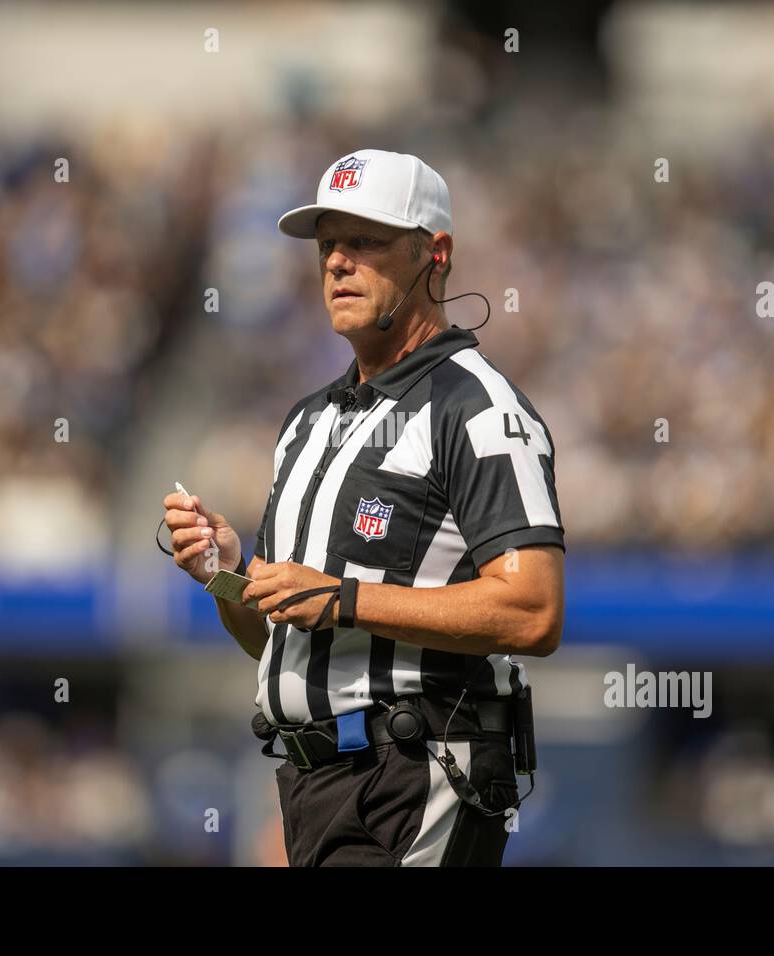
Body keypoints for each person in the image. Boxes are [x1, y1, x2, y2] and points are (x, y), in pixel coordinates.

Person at [162, 149, 565, 866]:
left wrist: (346, 599)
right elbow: (285, 644)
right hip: (313, 781)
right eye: (327, 246)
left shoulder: (475, 407)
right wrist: (228, 576)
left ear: (433, 254)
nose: (338, 264)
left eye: (367, 242)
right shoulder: (307, 422)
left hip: (418, 768)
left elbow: (533, 610)